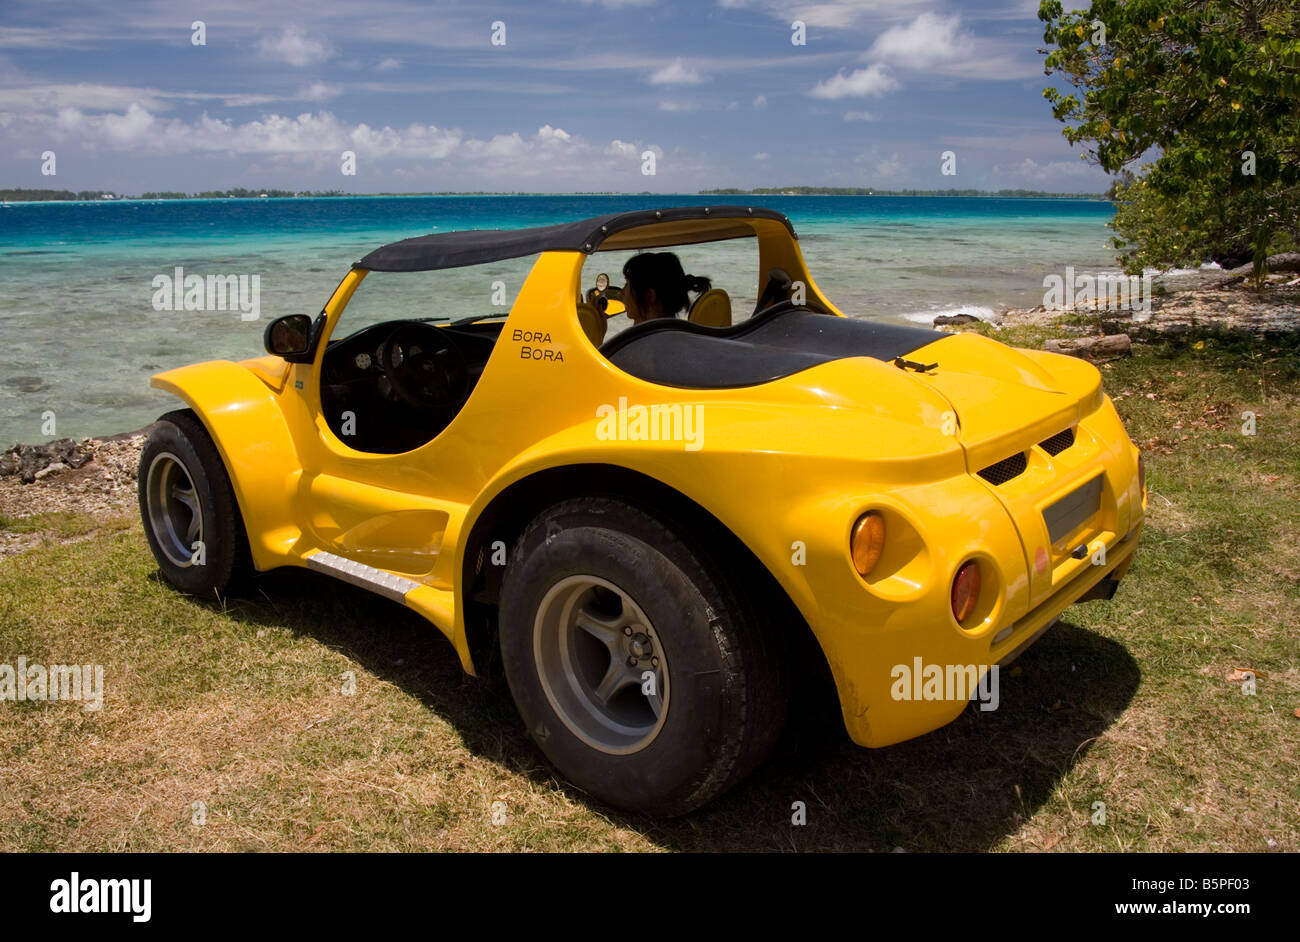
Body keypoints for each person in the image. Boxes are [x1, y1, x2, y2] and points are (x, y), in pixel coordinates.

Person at [620, 252, 711, 325]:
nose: (621, 292)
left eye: (627, 284)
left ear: (649, 296)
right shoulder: (680, 337)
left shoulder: (646, 344)